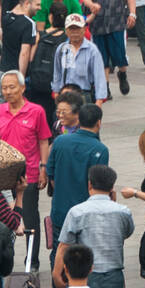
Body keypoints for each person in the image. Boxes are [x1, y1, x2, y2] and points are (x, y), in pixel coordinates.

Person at [0, 71, 52, 273]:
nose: (7, 91)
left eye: (12, 87)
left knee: (30, 218)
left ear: (22, 88)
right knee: (3, 219)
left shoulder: (36, 111)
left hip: (29, 174)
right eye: (4, 88)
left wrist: (44, 167)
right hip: (3, 176)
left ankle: (32, 262)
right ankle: (4, 259)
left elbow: (44, 140)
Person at [44, 102, 109, 246]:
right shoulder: (100, 149)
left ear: (79, 119)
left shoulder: (60, 141)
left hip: (60, 211)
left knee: (59, 251)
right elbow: (98, 186)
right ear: (99, 123)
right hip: (87, 215)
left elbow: (51, 174)